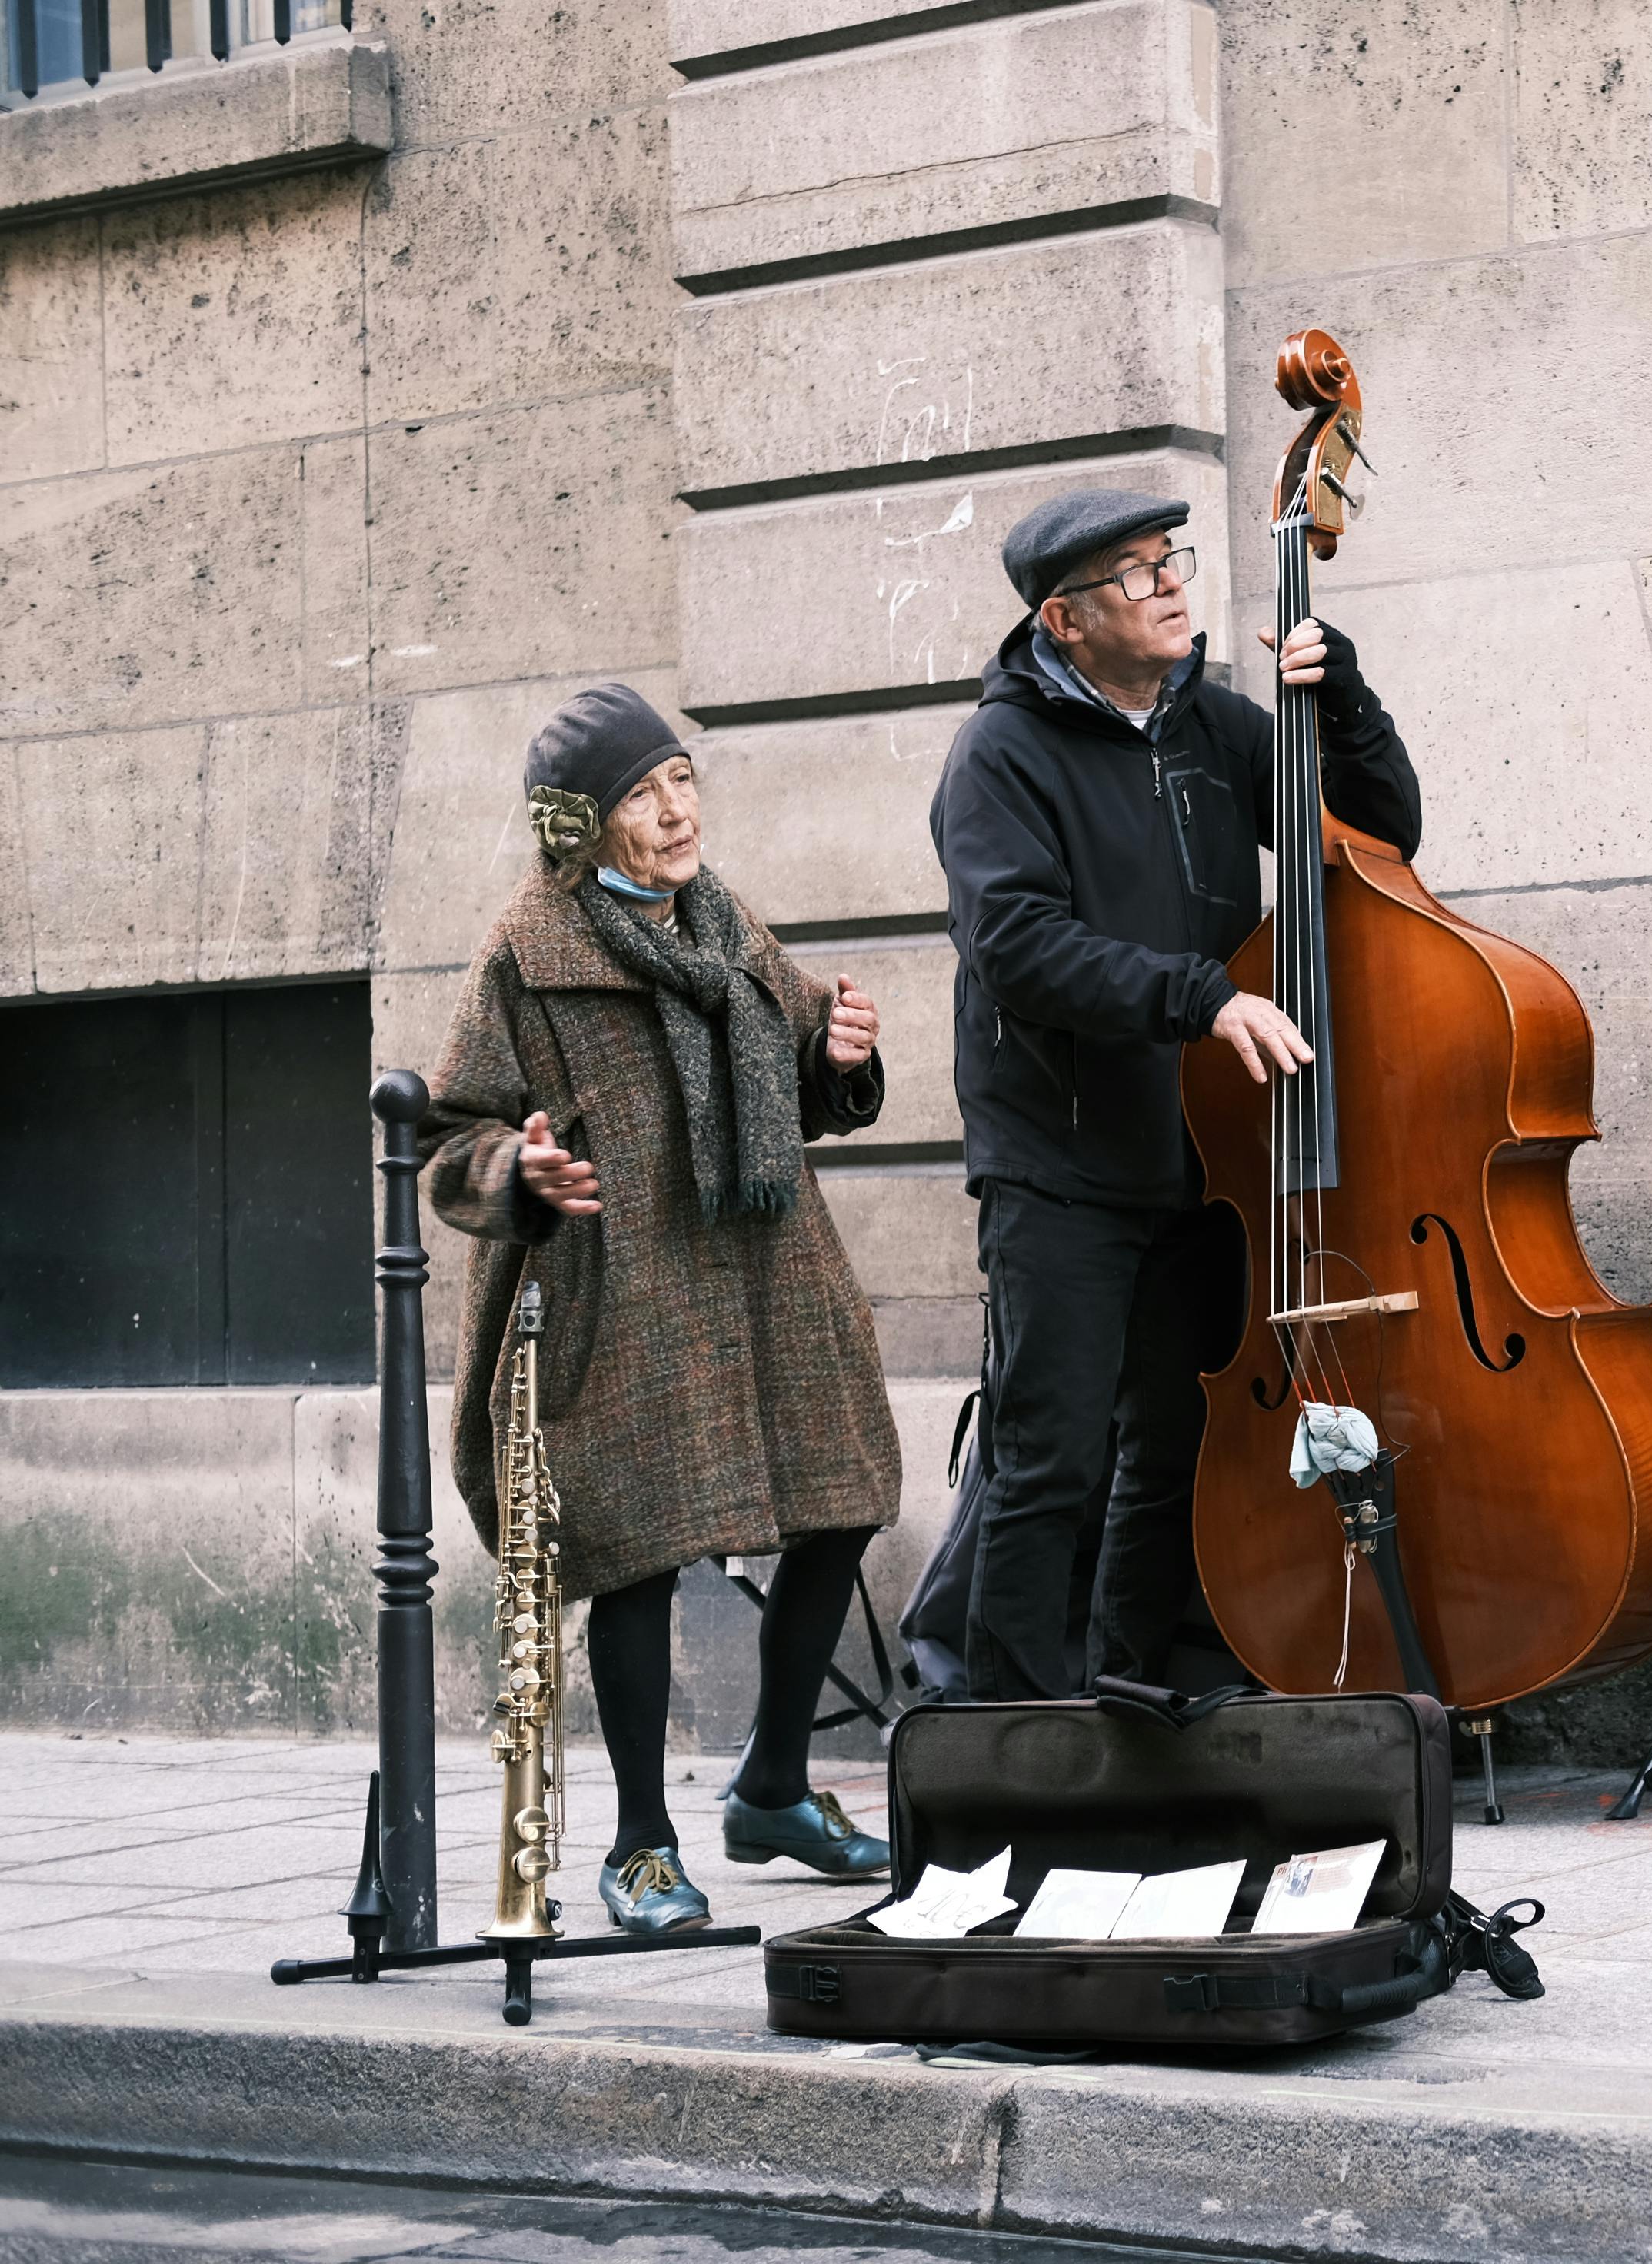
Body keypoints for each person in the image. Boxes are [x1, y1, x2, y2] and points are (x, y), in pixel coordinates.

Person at [927, 489, 1422, 1703]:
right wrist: (1201, 996)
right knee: (1049, 1460)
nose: (1171, 585)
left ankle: (1134, 1701)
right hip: (1064, 1159)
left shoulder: (1207, 721)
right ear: (1066, 618)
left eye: (1170, 561)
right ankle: (1008, 1738)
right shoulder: (1001, 756)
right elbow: (1019, 945)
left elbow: (1380, 833)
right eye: (1137, 574)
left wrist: (1339, 701)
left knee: (1177, 1450)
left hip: (1207, 1156)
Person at [424, 684, 904, 1933]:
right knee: (636, 1546)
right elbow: (449, 1139)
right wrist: (513, 1170)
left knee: (844, 1494)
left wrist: (837, 1057)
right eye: (643, 793)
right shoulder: (526, 955)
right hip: (620, 1279)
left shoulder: (724, 918)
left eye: (681, 778)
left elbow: (796, 1066)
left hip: (768, 1270)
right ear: (582, 827)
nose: (676, 809)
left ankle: (776, 1787)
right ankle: (641, 1846)